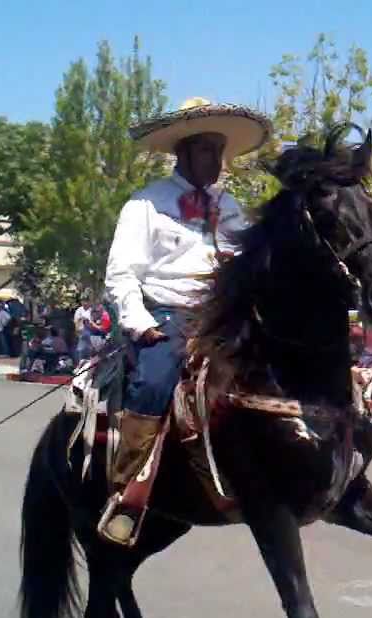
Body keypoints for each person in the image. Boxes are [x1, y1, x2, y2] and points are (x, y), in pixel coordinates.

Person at [100, 97, 271, 544]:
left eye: (219, 151)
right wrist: (138, 322)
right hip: (166, 314)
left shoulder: (229, 205)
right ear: (182, 153)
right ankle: (127, 492)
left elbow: (245, 262)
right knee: (156, 380)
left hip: (221, 317)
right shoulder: (147, 204)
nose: (215, 161)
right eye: (205, 151)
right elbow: (122, 272)